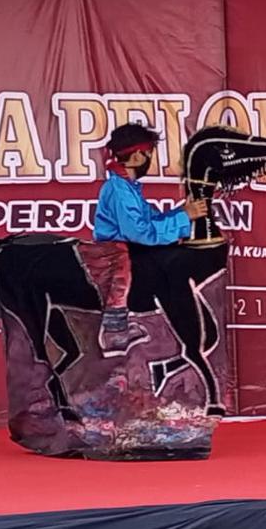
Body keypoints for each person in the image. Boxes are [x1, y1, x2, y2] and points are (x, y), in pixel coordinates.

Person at [80, 123, 207, 356]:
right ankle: (114, 329)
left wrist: (181, 214)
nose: (150, 159)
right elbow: (140, 232)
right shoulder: (119, 190)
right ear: (138, 156)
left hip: (128, 245)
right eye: (149, 154)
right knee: (123, 262)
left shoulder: (128, 188)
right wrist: (183, 218)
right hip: (114, 251)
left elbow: (152, 218)